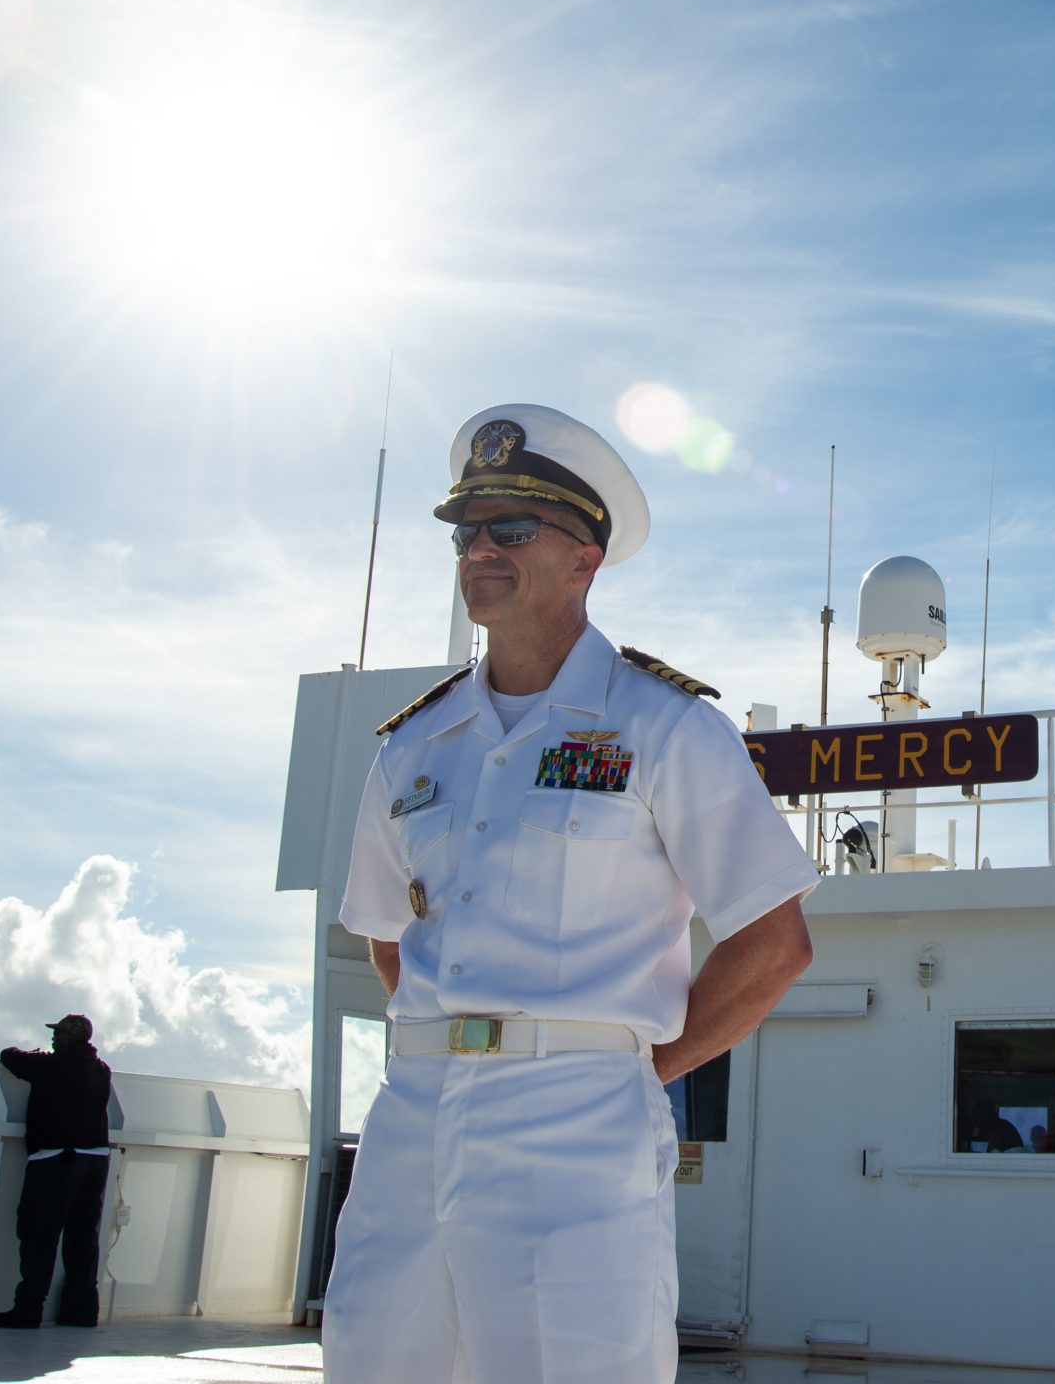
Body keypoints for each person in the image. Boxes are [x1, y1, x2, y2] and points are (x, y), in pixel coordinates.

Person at [324, 404, 818, 1383]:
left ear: (584, 559)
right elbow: (387, 938)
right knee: (377, 1363)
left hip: (578, 1117)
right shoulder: (412, 744)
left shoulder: (661, 725)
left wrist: (634, 1067)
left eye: (512, 529)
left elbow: (772, 944)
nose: (481, 551)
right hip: (411, 1110)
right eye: (468, 530)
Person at [0, 1013, 116, 1329]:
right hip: (95, 1160)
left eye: (58, 1033)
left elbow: (9, 1056)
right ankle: (81, 1310)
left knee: (39, 1235)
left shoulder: (50, 1066)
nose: (53, 1038)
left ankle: (29, 1308)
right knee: (83, 1238)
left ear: (70, 1038)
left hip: (56, 1161)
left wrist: (33, 1054)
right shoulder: (102, 1070)